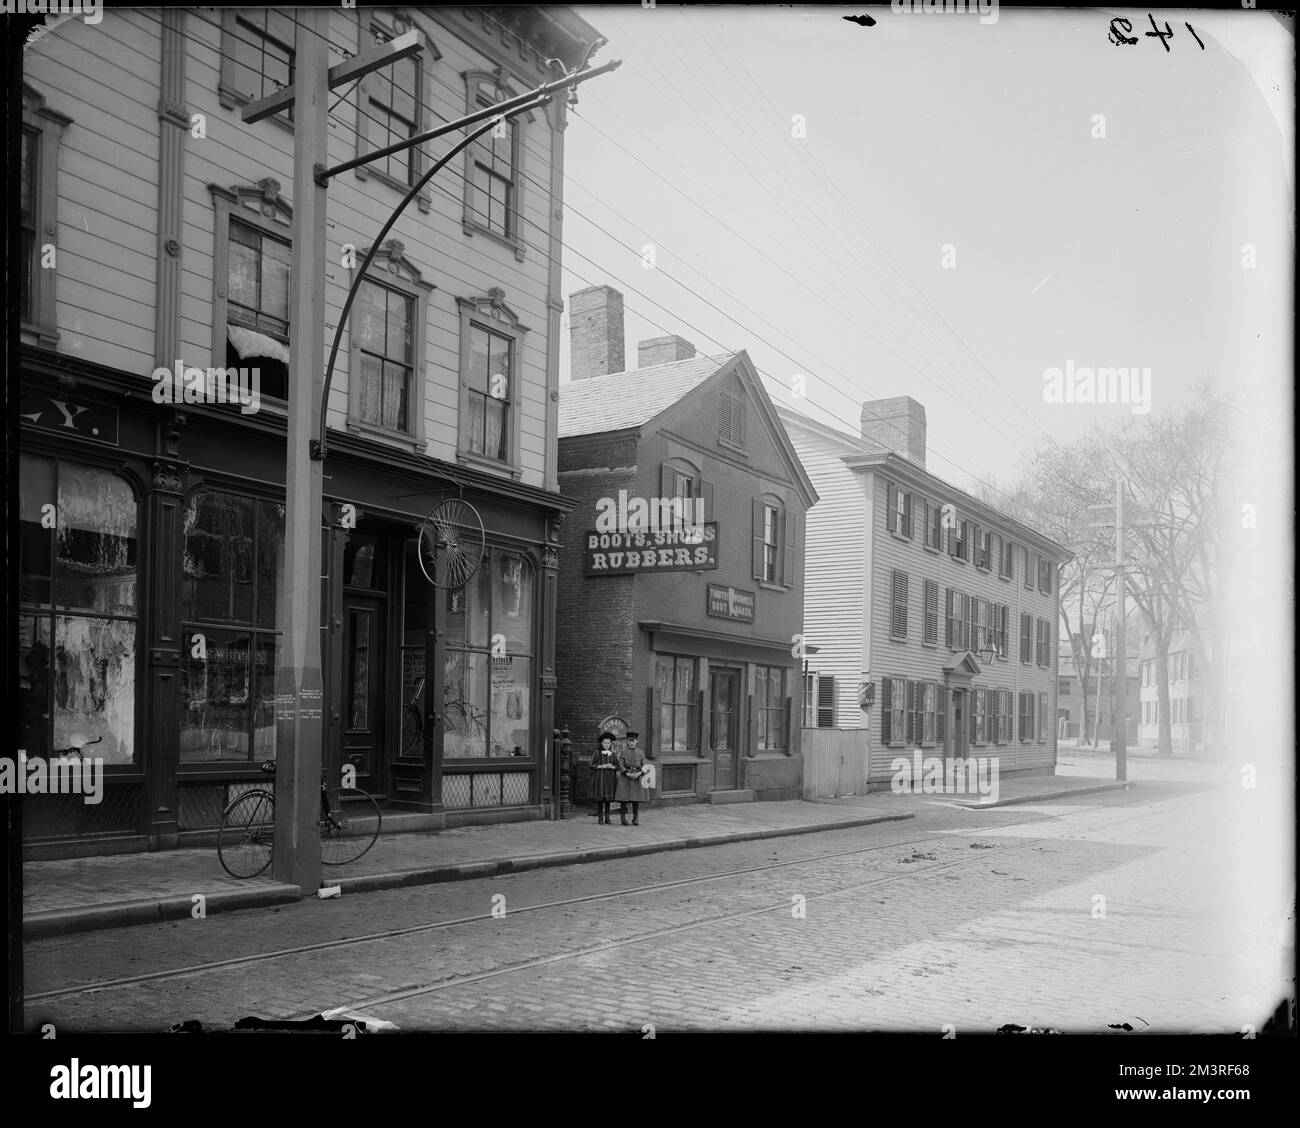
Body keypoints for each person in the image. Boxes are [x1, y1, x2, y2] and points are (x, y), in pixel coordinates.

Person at [614, 730, 651, 826]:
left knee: (635, 798)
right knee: (623, 798)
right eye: (629, 741)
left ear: (636, 741)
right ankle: (623, 817)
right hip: (625, 777)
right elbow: (621, 765)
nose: (631, 743)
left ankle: (635, 817)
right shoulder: (623, 751)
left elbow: (644, 765)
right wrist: (627, 773)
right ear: (627, 741)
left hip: (637, 777)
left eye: (633, 741)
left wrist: (639, 773)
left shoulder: (641, 752)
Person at [589, 730, 620, 825]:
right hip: (600, 778)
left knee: (608, 799)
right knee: (600, 798)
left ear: (611, 744)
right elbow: (591, 764)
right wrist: (600, 766)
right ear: (602, 744)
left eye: (608, 743)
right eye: (605, 743)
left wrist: (612, 767)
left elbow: (618, 766)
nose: (607, 745)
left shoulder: (613, 754)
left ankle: (607, 817)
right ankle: (600, 817)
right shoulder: (597, 753)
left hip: (610, 778)